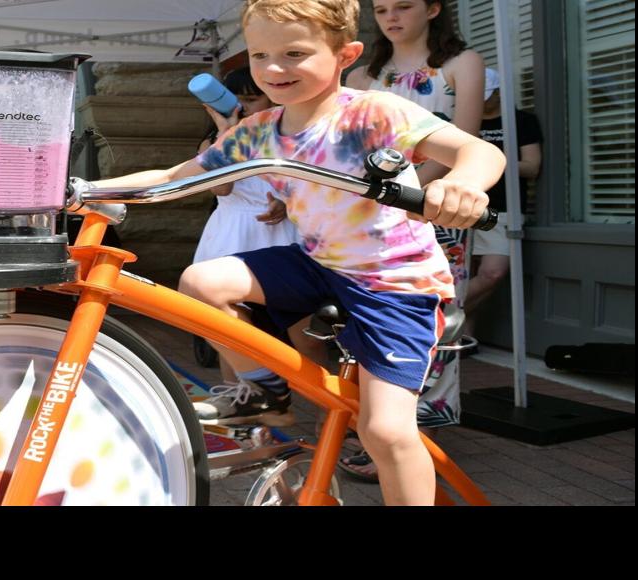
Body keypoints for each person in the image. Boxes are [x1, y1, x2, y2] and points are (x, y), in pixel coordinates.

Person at [88, 0, 503, 505]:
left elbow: (479, 152)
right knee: (202, 282)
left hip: (394, 282)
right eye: (259, 56)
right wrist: (83, 189)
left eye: (294, 53)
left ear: (345, 54)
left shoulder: (375, 112)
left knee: (386, 432)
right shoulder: (260, 131)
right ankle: (267, 391)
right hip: (318, 265)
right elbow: (174, 179)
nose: (273, 69)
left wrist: (462, 185)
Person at [347, 0, 484, 432]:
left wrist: (405, 193)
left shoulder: (463, 64)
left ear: (432, 9)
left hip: (437, 208)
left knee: (438, 311)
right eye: (382, 8)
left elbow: (465, 141)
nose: (391, 16)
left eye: (403, 5)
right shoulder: (361, 76)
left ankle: (424, 426)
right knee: (371, 311)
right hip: (370, 213)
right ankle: (377, 425)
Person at [189, 68, 306, 390]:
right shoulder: (212, 144)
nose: (242, 107)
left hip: (281, 235)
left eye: (252, 99)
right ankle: (246, 409)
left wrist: (287, 203)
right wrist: (226, 133)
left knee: (304, 334)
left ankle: (328, 416)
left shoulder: (291, 138)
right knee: (231, 331)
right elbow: (220, 189)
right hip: (232, 233)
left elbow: (310, 187)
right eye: (234, 100)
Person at [461, 66, 542, 342]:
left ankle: (440, 317)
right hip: (465, 205)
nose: (480, 101)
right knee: (465, 274)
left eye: (485, 95)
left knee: (492, 274)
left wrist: (491, 159)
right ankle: (465, 334)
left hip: (504, 210)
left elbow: (531, 167)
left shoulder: (521, 121)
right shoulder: (465, 121)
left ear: (498, 92)